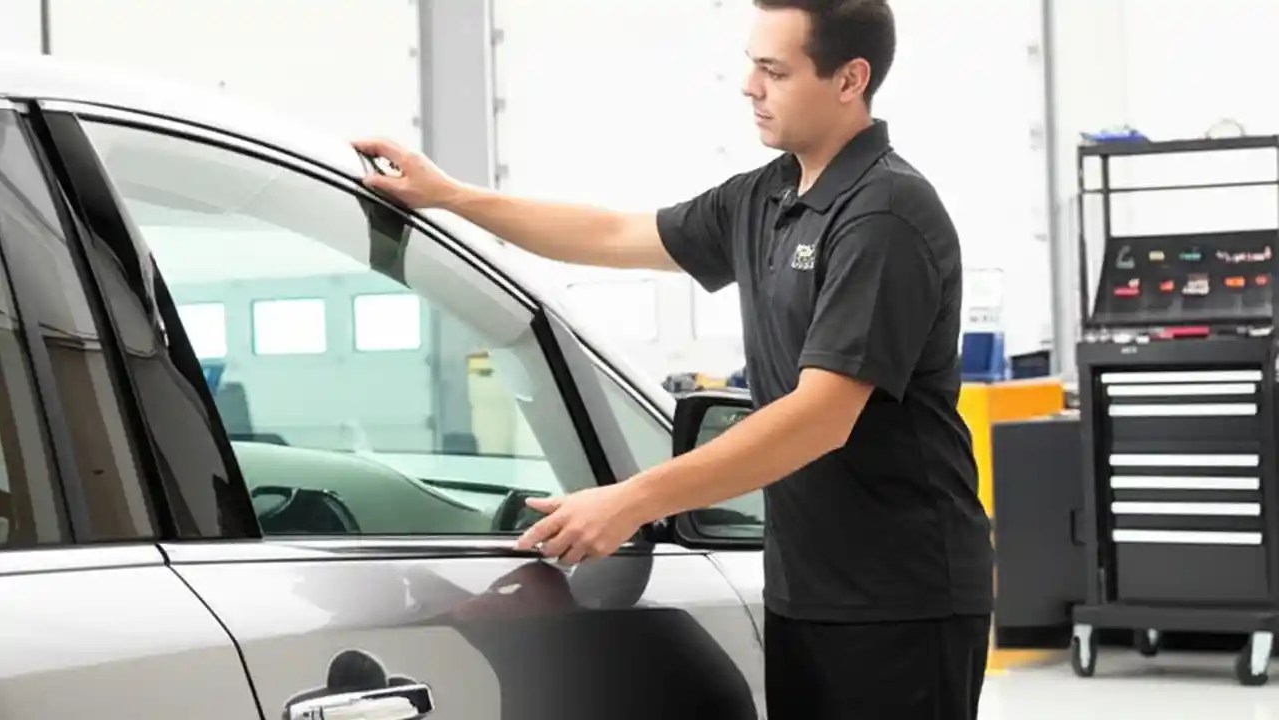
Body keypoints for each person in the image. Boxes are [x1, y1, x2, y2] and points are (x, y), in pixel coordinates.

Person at [352, 1, 993, 717]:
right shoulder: (767, 196)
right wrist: (450, 197)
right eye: (752, 64)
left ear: (850, 80)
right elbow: (612, 233)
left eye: (775, 71)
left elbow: (821, 417)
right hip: (807, 590)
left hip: (900, 602)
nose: (749, 86)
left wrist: (630, 501)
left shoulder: (884, 215)